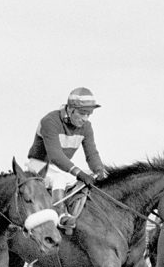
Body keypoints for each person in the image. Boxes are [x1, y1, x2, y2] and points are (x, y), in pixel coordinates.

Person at [27, 87, 106, 231]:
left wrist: (99, 170)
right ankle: (61, 214)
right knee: (60, 178)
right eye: (82, 113)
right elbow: (55, 156)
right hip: (39, 165)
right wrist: (79, 173)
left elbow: (92, 154)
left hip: (61, 168)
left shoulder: (87, 127)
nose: (85, 118)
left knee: (85, 181)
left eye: (89, 114)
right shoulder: (49, 121)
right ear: (70, 109)